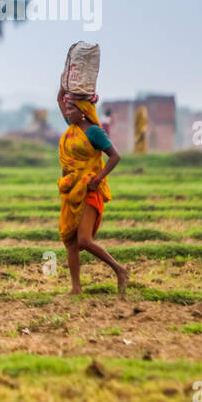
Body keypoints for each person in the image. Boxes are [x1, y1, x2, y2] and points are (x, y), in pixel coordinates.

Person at [57, 86, 128, 295]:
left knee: (84, 240)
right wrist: (64, 82)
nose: (67, 112)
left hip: (89, 189)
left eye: (71, 109)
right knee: (71, 242)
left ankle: (119, 270)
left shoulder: (95, 132)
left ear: (83, 110)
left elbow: (115, 156)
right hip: (71, 189)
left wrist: (99, 178)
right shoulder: (73, 127)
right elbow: (60, 99)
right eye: (67, 109)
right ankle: (76, 288)